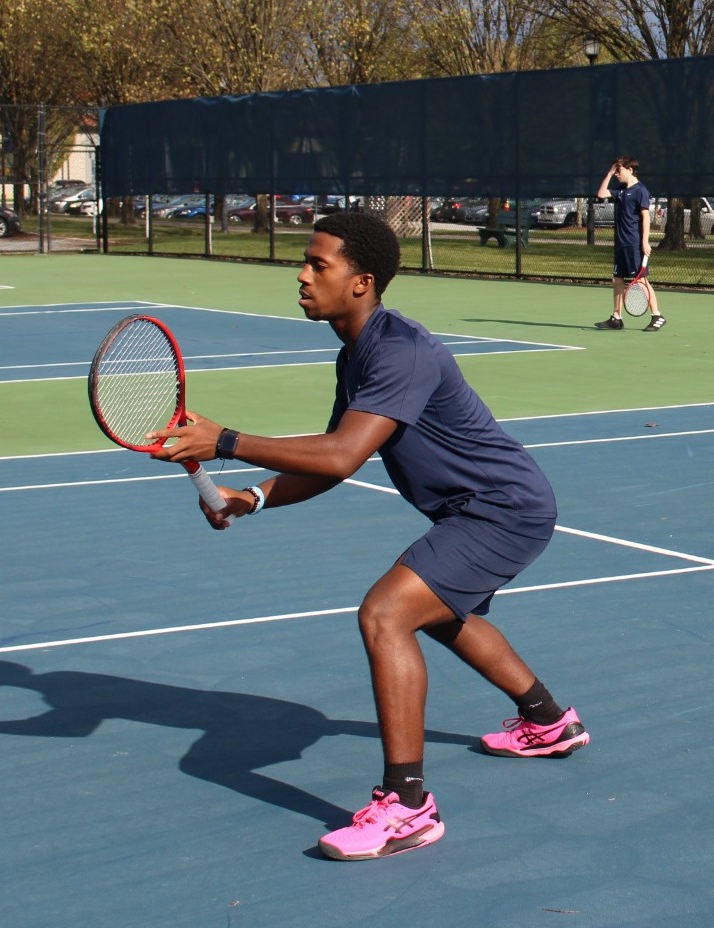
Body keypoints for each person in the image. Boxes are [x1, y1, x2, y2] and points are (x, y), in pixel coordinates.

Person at [148, 211, 588, 861]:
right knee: (439, 614)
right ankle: (548, 722)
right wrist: (255, 496)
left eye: (317, 264)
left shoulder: (399, 351)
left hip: (502, 509)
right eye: (304, 262)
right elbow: (331, 460)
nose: (302, 275)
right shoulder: (356, 353)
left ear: (362, 282)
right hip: (478, 508)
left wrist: (227, 441)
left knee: (386, 614)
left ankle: (407, 807)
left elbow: (341, 454)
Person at [593, 156, 665, 332]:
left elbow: (645, 217)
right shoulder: (621, 190)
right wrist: (609, 173)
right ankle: (616, 318)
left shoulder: (640, 190)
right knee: (617, 279)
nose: (617, 174)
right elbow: (601, 194)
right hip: (621, 244)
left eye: (619, 170)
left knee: (640, 280)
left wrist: (645, 242)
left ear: (630, 170)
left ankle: (657, 316)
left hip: (634, 244)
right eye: (615, 170)